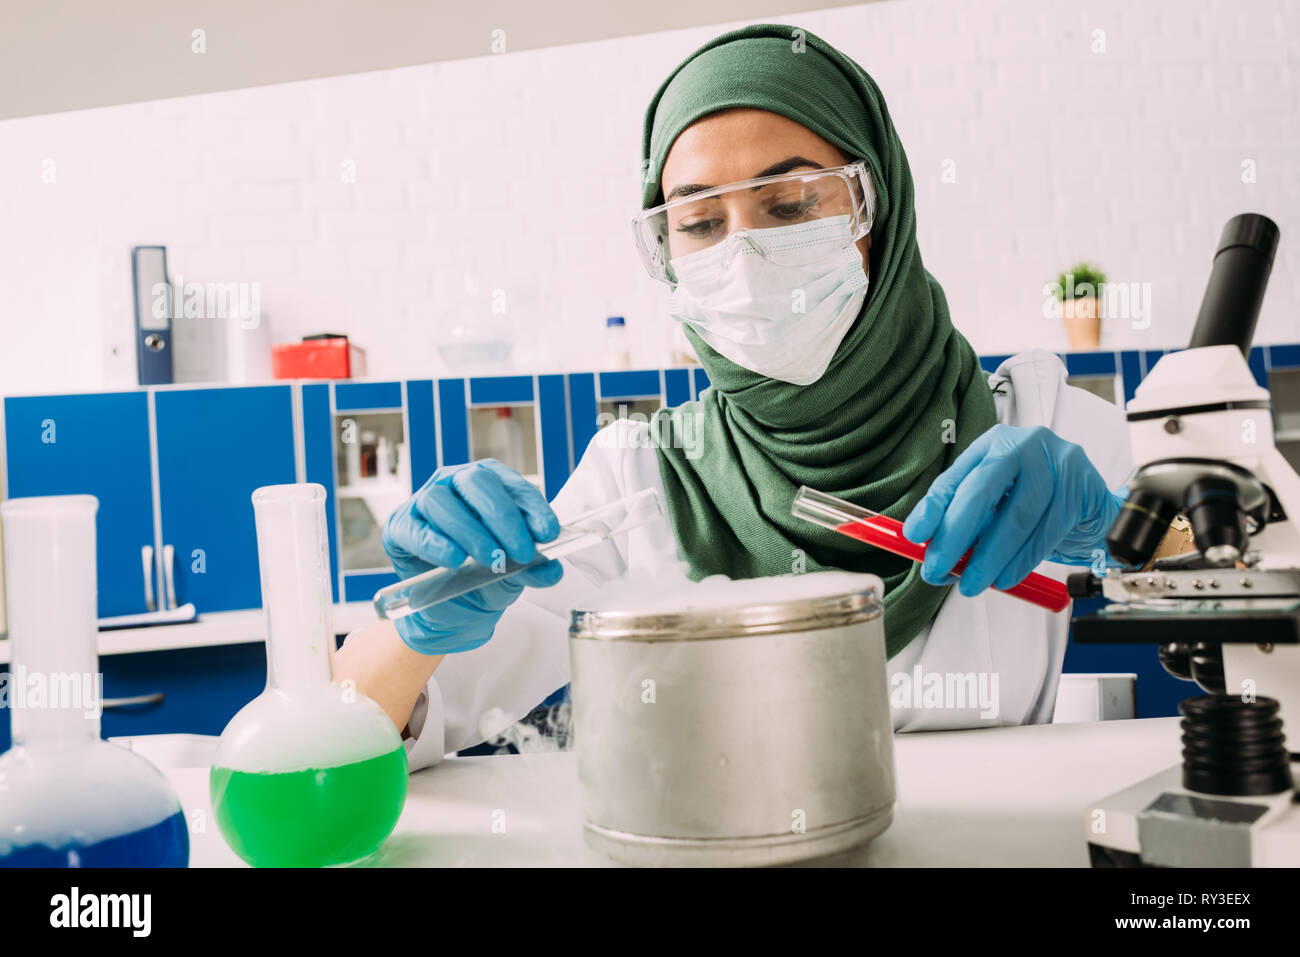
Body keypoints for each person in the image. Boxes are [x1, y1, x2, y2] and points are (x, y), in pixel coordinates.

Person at [333, 24, 1132, 772]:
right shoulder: (641, 479)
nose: (745, 257)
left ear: (877, 206)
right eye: (700, 222)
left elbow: (1233, 560)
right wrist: (416, 626)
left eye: (790, 205)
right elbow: (351, 730)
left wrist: (1121, 533)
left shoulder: (1037, 427)